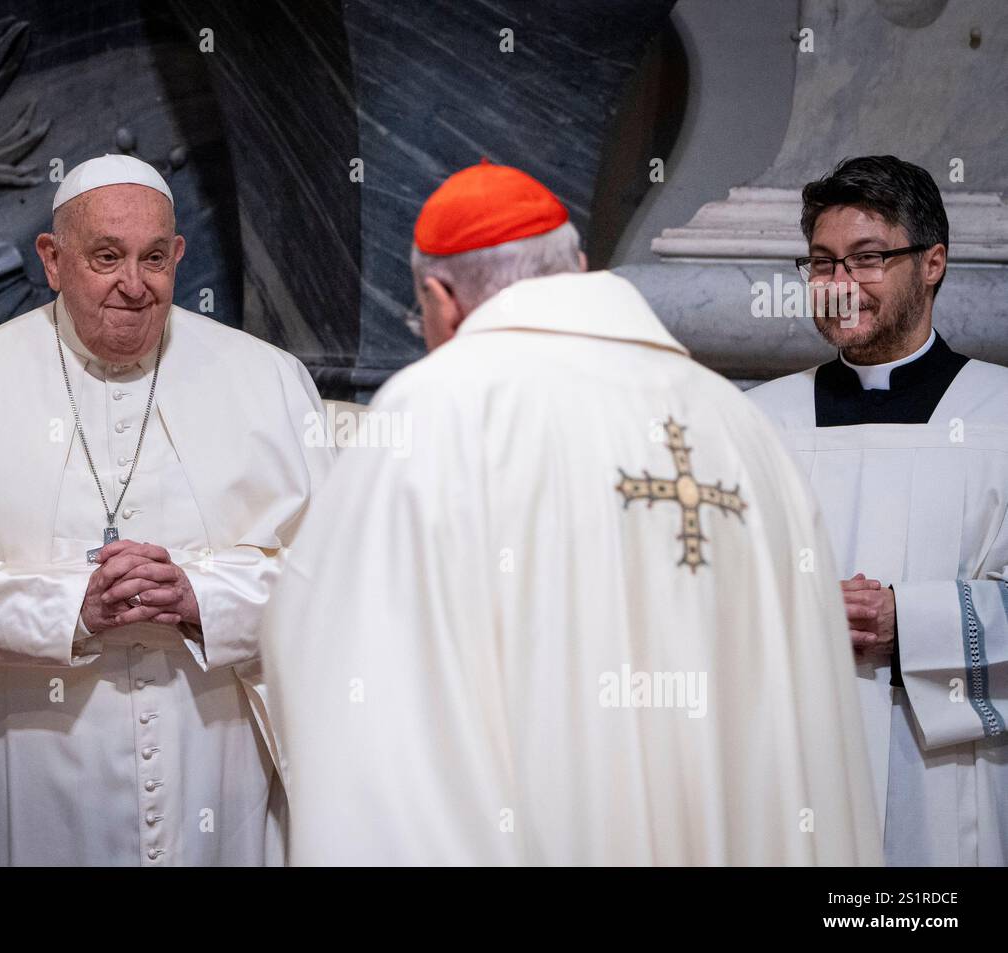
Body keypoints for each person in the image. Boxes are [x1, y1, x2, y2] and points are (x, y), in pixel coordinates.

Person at [261, 160, 881, 865]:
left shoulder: (439, 411)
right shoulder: (740, 427)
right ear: (579, 267)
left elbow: (349, 672)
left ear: (441, 297)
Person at [0, 154, 333, 866]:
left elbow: (331, 587)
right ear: (53, 258)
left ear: (178, 256)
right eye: (107, 256)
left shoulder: (271, 381)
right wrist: (75, 608)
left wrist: (201, 596)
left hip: (214, 757)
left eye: (154, 258)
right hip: (30, 756)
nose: (134, 286)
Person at [748, 155, 1008, 866]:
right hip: (794, 773)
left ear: (932, 263)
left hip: (951, 784)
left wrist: (914, 621)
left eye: (866, 260)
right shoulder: (754, 424)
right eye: (822, 263)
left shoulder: (1000, 415)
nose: (837, 286)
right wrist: (796, 610)